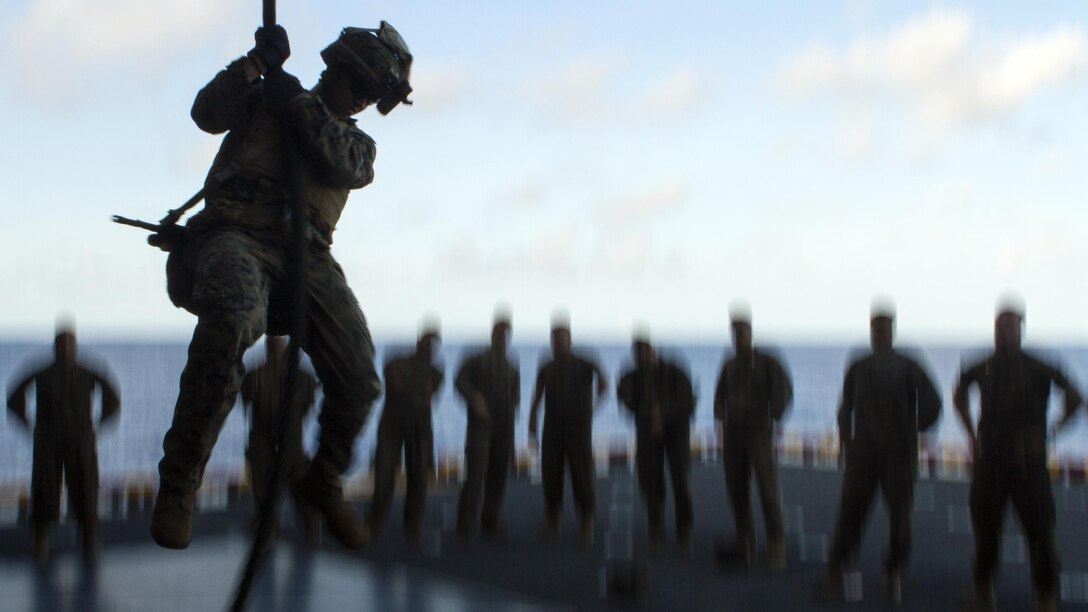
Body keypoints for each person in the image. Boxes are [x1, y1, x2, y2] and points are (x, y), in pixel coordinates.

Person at [150, 22, 413, 550]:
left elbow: (338, 159)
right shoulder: (265, 96)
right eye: (356, 84)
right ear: (336, 70)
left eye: (369, 94)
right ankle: (180, 482)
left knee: (361, 377)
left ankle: (324, 476)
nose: (360, 99)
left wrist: (294, 100)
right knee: (233, 318)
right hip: (237, 236)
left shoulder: (357, 145)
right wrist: (251, 66)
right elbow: (206, 113)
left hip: (306, 257)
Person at [954, 302, 1082, 612]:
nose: (1003, 332)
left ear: (1020, 330)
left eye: (1009, 326)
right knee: (985, 531)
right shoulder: (981, 365)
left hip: (1028, 464)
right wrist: (971, 434)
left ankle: (1045, 597)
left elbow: (1076, 397)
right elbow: (959, 394)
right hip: (990, 463)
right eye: (999, 326)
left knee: (1040, 534)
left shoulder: (1039, 366)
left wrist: (1050, 434)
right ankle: (983, 591)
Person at [824, 304, 941, 605]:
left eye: (885, 328)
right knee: (850, 512)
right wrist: (845, 440)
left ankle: (893, 573)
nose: (879, 333)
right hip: (863, 452)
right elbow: (845, 406)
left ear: (893, 331)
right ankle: (837, 567)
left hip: (898, 456)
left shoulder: (908, 365)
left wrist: (911, 430)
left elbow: (933, 404)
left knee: (900, 518)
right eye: (875, 328)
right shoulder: (858, 366)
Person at [7, 326, 120, 562]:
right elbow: (14, 398)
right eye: (62, 343)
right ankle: (41, 541)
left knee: (86, 491)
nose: (66, 348)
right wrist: (29, 426)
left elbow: (112, 397)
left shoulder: (86, 372)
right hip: (49, 441)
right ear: (55, 347)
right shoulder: (44, 372)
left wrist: (98, 424)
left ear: (75, 346)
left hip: (79, 441)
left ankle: (89, 540)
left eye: (69, 343)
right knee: (44, 491)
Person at [714, 306, 793, 569]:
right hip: (734, 434)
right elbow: (719, 397)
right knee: (736, 490)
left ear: (750, 333)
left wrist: (774, 416)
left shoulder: (767, 362)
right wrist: (722, 422)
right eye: (734, 332)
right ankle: (745, 539)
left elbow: (783, 390)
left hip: (758, 434)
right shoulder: (729, 365)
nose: (739, 337)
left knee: (768, 491)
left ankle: (776, 544)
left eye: (743, 332)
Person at [528, 319, 608, 545]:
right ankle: (553, 519)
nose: (558, 344)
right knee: (551, 475)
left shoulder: (585, 363)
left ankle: (586, 520)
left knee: (581, 474)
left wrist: (593, 407)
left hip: (578, 429)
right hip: (552, 428)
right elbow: (537, 395)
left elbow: (604, 383)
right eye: (555, 340)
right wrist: (532, 420)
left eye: (562, 339)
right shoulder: (547, 366)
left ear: (570, 340)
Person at [617, 333, 696, 548]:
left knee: (680, 477)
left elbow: (689, 401)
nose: (641, 358)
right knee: (650, 479)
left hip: (676, 432)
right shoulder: (633, 376)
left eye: (645, 352)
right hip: (646, 432)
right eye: (637, 354)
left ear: (653, 351)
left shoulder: (674, 372)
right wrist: (635, 406)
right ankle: (656, 525)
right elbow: (623, 395)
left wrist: (664, 415)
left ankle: (685, 526)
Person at [238, 335, 319, 542]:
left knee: (296, 474)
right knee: (262, 476)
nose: (274, 347)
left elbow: (309, 400)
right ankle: (269, 523)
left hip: (289, 434)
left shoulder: (299, 376)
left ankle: (309, 521)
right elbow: (245, 398)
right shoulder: (256, 374)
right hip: (262, 434)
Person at [367, 327, 444, 543]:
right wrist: (418, 390)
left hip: (419, 426)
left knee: (418, 475)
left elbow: (427, 395)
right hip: (393, 424)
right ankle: (374, 521)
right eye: (428, 343)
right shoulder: (397, 363)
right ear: (419, 342)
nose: (430, 349)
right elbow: (396, 385)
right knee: (384, 474)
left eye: (434, 345)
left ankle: (413, 523)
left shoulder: (435, 372)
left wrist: (414, 390)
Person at [455, 315, 521, 539]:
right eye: (499, 333)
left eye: (506, 334)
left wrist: (514, 427)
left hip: (505, 427)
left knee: (498, 474)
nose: (502, 337)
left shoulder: (511, 366)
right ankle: (465, 524)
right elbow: (460, 380)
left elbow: (516, 397)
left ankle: (490, 518)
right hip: (480, 427)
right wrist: (474, 398)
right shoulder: (476, 360)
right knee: (475, 475)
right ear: (492, 334)